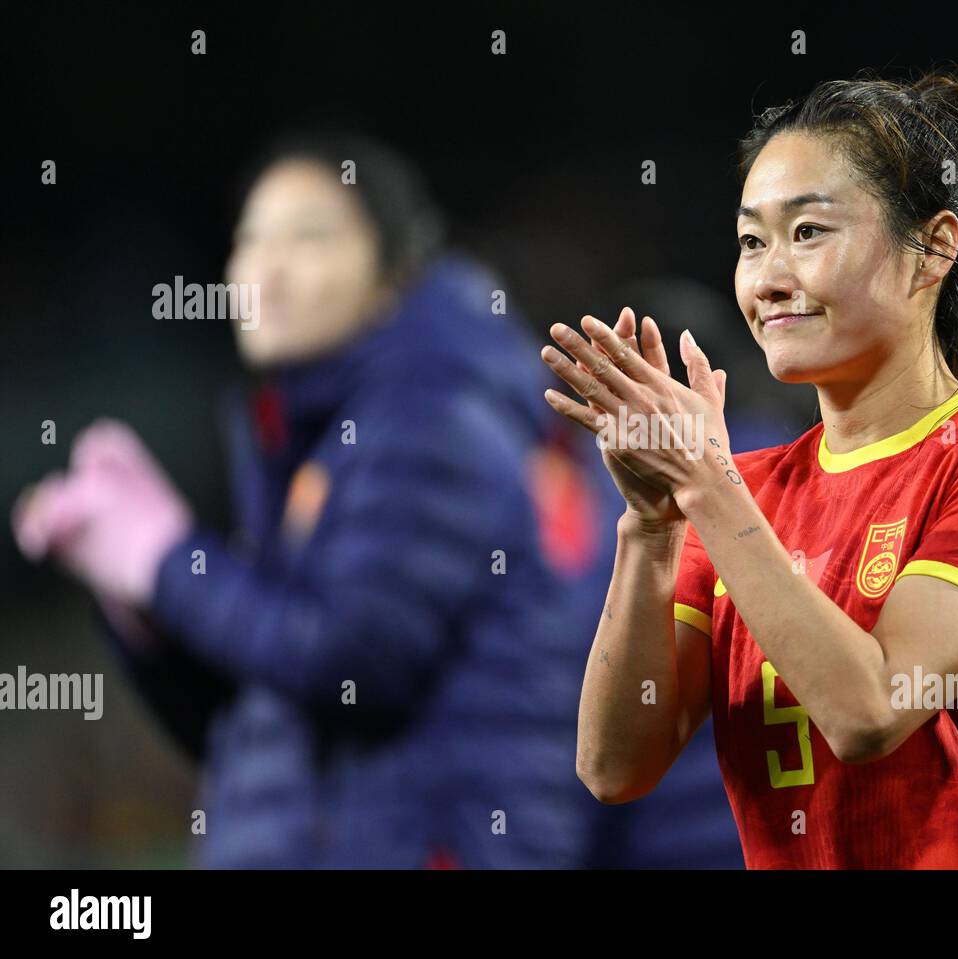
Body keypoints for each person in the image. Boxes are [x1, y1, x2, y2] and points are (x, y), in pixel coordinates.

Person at [542, 68, 958, 868]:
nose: (769, 278)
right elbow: (613, 766)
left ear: (934, 247)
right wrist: (651, 524)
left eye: (808, 232)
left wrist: (705, 482)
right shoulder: (749, 491)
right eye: (751, 241)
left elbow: (871, 707)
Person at [12, 130, 592, 868]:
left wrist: (166, 557)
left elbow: (357, 660)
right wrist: (146, 603)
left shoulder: (434, 407)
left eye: (308, 236)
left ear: (391, 271)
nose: (268, 268)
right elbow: (261, 720)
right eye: (250, 241)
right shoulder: (313, 434)